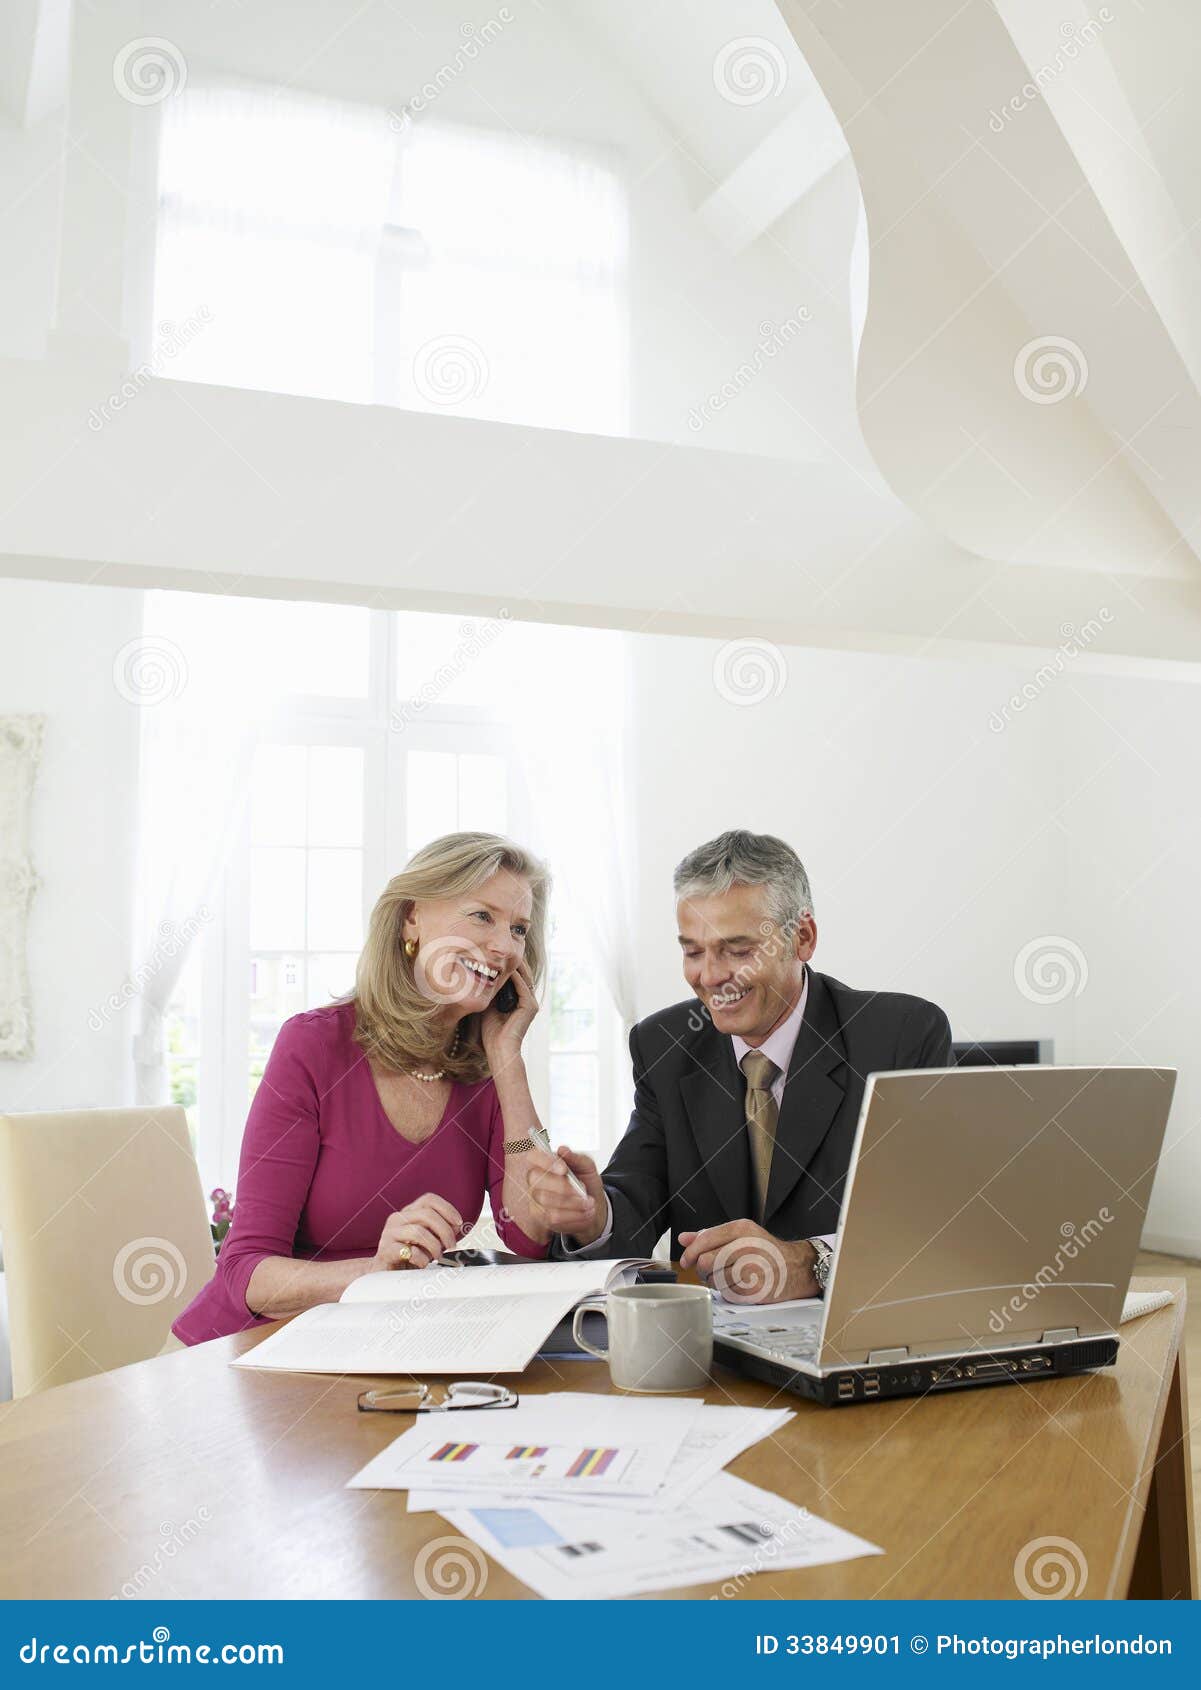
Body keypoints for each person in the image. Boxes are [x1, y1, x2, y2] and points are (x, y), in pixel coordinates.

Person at [525, 829, 952, 1303]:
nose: (709, 977)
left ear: (803, 938)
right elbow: (636, 1207)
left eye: (739, 950)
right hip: (718, 1352)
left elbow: (935, 1219)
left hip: (862, 1333)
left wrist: (811, 1263)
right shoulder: (663, 1046)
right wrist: (593, 1215)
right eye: (692, 951)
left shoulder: (901, 1036)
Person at [173, 832, 558, 1342]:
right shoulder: (314, 1045)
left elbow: (528, 1237)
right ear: (411, 917)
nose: (504, 947)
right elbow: (245, 1272)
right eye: (482, 916)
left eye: (519, 929)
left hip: (374, 1348)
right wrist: (374, 1274)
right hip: (245, 1350)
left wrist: (508, 1062)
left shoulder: (484, 1071)